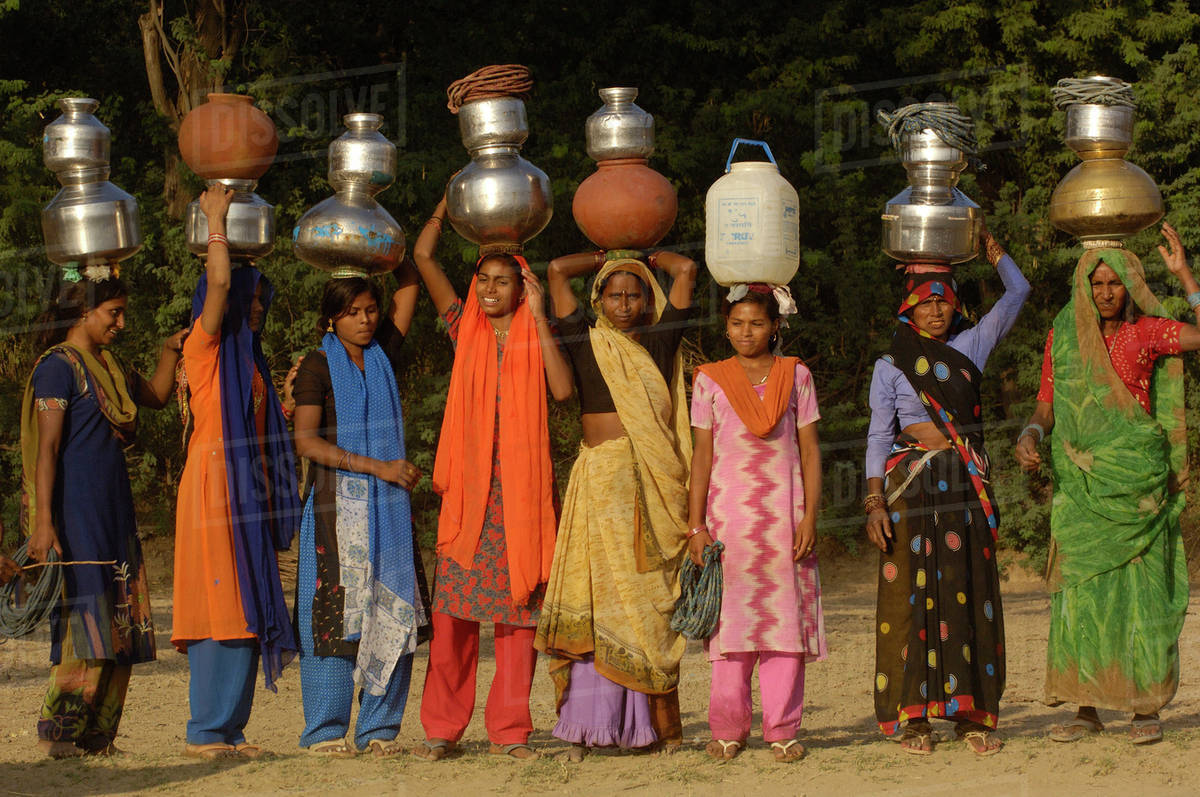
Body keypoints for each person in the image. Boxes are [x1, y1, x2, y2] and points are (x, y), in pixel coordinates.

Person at [1014, 223, 1200, 745]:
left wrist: (1185, 275)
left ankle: (1144, 710)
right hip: (1082, 486)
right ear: (1083, 287)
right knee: (1082, 594)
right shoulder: (1065, 334)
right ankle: (1086, 707)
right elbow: (1047, 403)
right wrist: (1031, 431)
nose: (1104, 293)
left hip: (1137, 485)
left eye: (1113, 283)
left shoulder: (1149, 332)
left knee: (1142, 596)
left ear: (1130, 283)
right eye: (1095, 284)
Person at [410, 200, 572, 761]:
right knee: (454, 617)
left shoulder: (533, 327)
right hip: (469, 495)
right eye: (484, 280)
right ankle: (442, 728)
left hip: (519, 495)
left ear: (520, 284)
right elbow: (423, 256)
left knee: (517, 617)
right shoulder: (465, 327)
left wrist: (539, 309)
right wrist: (446, 206)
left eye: (503, 282)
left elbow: (561, 390)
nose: (489, 291)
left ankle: (510, 729)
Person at [865, 223, 1029, 756]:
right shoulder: (891, 364)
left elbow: (1019, 291)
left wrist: (993, 250)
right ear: (906, 309)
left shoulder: (971, 346)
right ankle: (914, 719)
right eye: (924, 303)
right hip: (909, 489)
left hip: (962, 486)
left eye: (943, 302)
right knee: (910, 598)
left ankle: (971, 716)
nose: (934, 311)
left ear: (955, 305)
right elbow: (877, 436)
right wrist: (872, 502)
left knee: (968, 591)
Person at [536, 248, 696, 761]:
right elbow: (558, 270)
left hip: (650, 484)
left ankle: (661, 729)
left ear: (648, 299)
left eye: (634, 294)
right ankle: (585, 729)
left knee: (649, 602)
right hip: (598, 480)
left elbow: (687, 270)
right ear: (599, 298)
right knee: (592, 596)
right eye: (614, 293)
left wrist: (646, 253)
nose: (624, 304)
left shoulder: (659, 339)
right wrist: (607, 254)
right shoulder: (586, 336)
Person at [22, 268, 184, 757]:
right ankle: (60, 736)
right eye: (113, 314)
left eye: (123, 315)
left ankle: (99, 734)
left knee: (123, 623)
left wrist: (171, 350)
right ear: (82, 312)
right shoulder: (59, 368)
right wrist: (45, 524)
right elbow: (48, 450)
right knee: (84, 622)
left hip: (115, 512)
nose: (120, 324)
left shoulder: (109, 366)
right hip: (76, 516)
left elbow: (154, 397)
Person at [172, 186, 299, 760]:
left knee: (250, 598)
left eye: (260, 302)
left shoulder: (253, 363)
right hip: (211, 485)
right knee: (220, 599)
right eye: (249, 300)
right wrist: (217, 221)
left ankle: (232, 728)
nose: (255, 308)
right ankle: (206, 729)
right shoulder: (203, 349)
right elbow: (219, 283)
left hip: (243, 487)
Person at [291, 267, 430, 757]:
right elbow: (306, 440)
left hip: (388, 511)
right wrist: (379, 468)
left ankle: (379, 730)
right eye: (353, 313)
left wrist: (387, 246)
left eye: (371, 310)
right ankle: (326, 731)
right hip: (336, 509)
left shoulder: (382, 357)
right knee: (335, 616)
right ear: (332, 319)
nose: (366, 320)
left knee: (391, 609)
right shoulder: (317, 365)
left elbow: (410, 288)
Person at [687, 283, 826, 763]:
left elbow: (809, 449)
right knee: (732, 628)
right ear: (725, 327)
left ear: (775, 327)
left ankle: (782, 728)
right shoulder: (708, 379)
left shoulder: (797, 375)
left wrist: (810, 515)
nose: (746, 332)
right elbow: (702, 455)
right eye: (737, 323)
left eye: (757, 323)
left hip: (785, 519)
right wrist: (695, 526)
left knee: (783, 624)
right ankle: (728, 728)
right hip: (729, 521)